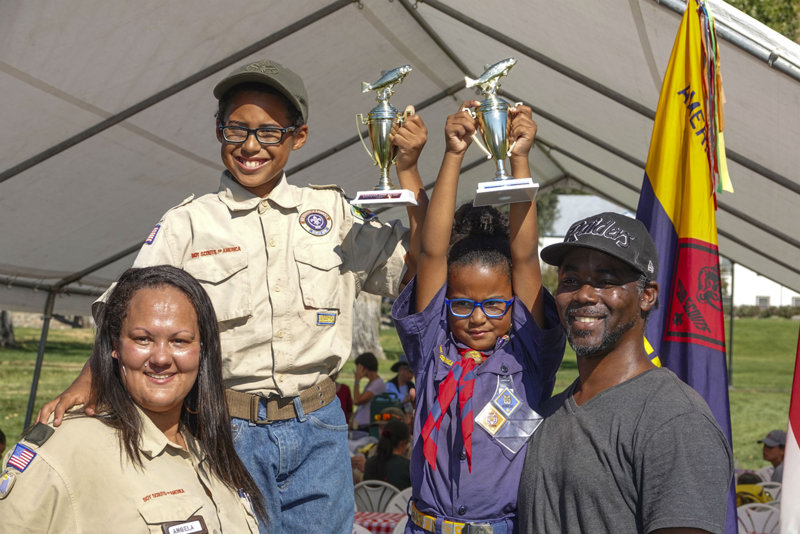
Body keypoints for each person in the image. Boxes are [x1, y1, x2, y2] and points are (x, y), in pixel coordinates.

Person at [37, 58, 428, 534]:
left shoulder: (332, 212)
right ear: (219, 131)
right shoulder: (190, 223)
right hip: (228, 429)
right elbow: (125, 307)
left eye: (269, 132)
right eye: (235, 129)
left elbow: (418, 268)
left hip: (321, 429)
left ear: (298, 136)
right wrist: (89, 379)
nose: (249, 146)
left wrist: (409, 176)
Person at [392, 102, 565, 533]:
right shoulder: (434, 348)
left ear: (512, 305)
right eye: (462, 304)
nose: (478, 318)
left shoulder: (526, 352)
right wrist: (453, 154)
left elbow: (525, 257)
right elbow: (432, 252)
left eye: (494, 304)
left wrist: (519, 156)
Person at [0, 266, 265, 532]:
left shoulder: (210, 447)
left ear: (201, 350)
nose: (161, 358)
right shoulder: (65, 450)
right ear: (115, 345)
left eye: (180, 341)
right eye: (142, 338)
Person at [518, 211, 734, 534]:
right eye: (570, 281)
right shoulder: (546, 413)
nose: (583, 295)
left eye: (606, 281)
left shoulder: (676, 421)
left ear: (646, 296)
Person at [364, 418, 412, 490]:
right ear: (402, 443)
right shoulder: (407, 466)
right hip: (399, 501)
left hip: (373, 501)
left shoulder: (369, 463)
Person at [353, 352, 387, 431]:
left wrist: (357, 381)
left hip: (367, 427)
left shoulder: (377, 384)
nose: (357, 371)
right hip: (361, 425)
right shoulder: (371, 383)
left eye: (358, 368)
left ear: (365, 368)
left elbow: (357, 401)